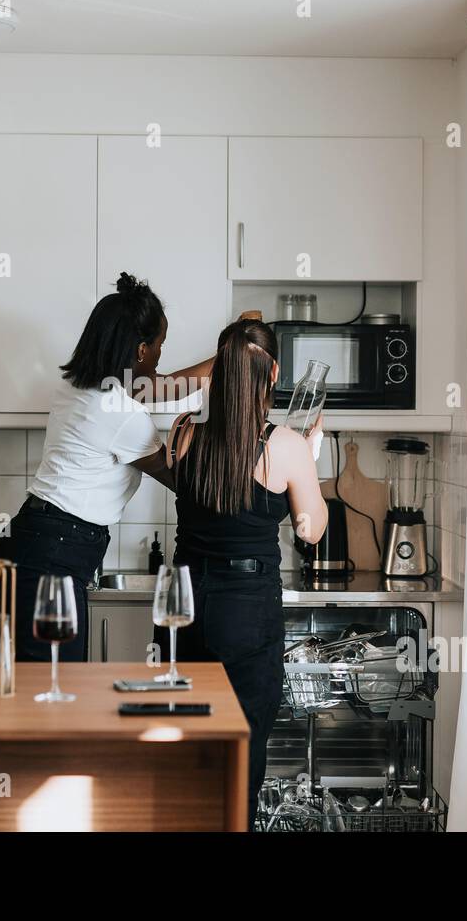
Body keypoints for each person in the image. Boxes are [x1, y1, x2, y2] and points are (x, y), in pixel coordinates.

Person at [0, 273, 214, 661]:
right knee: (55, 691)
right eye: (160, 345)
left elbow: (164, 385)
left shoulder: (80, 387)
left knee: (46, 689)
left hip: (28, 545)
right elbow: (181, 480)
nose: (161, 355)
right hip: (53, 556)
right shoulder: (121, 414)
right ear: (141, 350)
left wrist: (228, 354)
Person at [154, 319, 328, 829]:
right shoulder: (286, 445)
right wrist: (310, 459)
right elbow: (311, 530)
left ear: (220, 370)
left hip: (184, 606)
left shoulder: (183, 432)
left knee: (184, 744)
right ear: (273, 372)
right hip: (246, 610)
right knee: (243, 749)